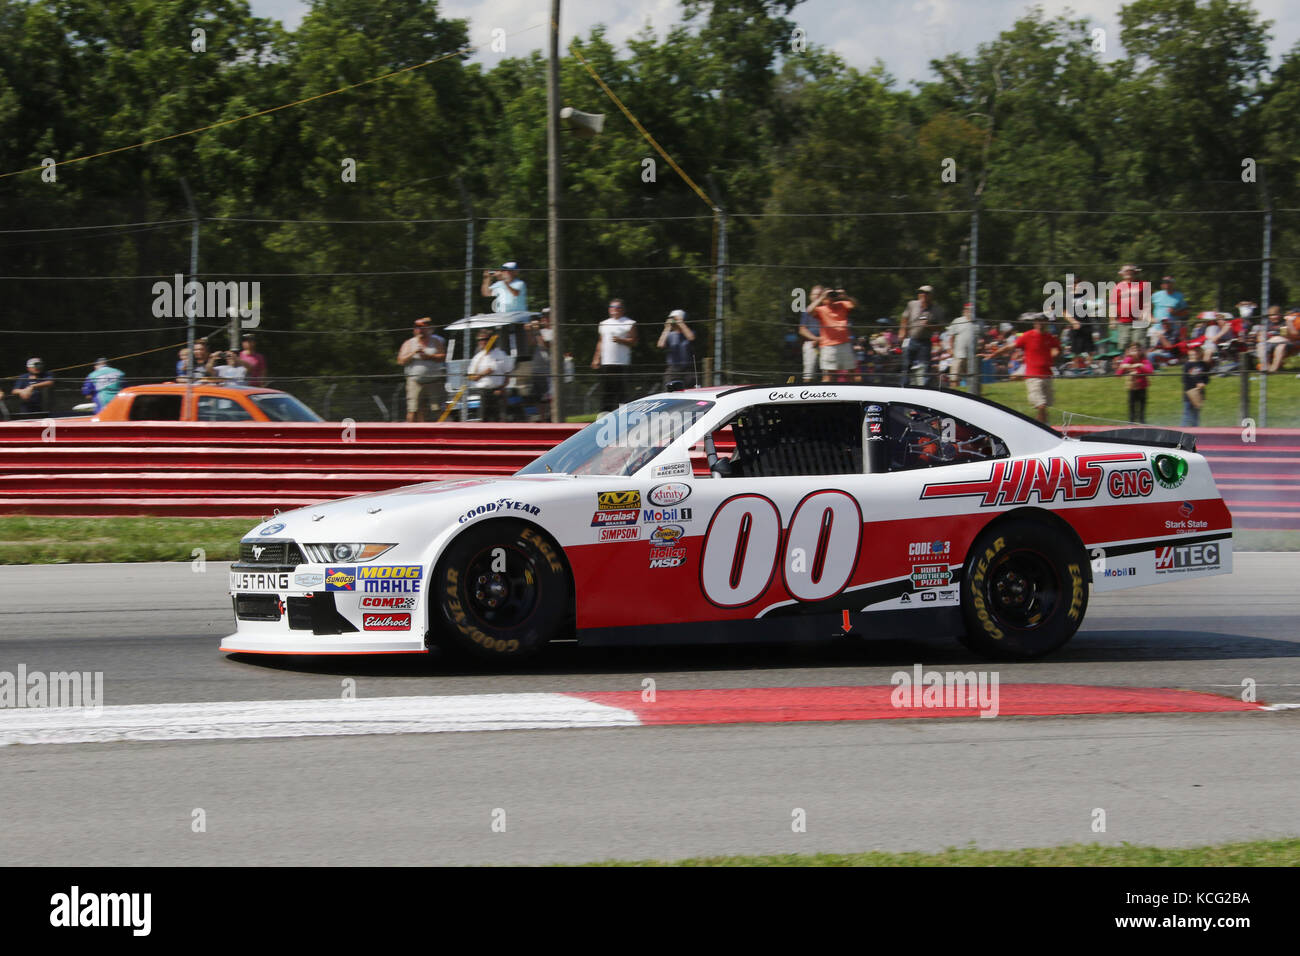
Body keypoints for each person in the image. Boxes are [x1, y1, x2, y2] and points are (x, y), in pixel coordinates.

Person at [990, 313, 1059, 423]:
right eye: (1037, 321)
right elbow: (1009, 347)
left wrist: (1054, 353)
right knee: (1041, 406)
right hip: (1033, 376)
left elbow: (1057, 348)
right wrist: (993, 355)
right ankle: (1042, 430)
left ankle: (1042, 428)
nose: (1040, 324)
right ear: (1034, 323)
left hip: (1047, 375)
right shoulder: (1027, 336)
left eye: (1042, 321)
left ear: (1046, 323)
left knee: (1044, 407)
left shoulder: (1050, 337)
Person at [396, 317, 447, 422]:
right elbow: (400, 361)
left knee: (438, 410)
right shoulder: (409, 343)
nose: (420, 330)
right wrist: (413, 353)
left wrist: (428, 357)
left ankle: (446, 434)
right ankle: (410, 435)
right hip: (415, 382)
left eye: (422, 328)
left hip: (434, 382)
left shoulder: (436, 341)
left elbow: (443, 357)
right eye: (417, 328)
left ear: (427, 329)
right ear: (414, 330)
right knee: (413, 410)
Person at [590, 299, 637, 410]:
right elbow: (600, 342)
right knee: (607, 393)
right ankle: (605, 417)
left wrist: (621, 340)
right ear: (609, 309)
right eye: (612, 307)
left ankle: (624, 417)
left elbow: (634, 341)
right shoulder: (603, 324)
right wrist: (596, 358)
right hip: (607, 363)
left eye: (618, 307)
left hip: (622, 364)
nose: (615, 309)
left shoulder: (629, 323)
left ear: (623, 310)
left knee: (622, 393)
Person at [810, 286, 858, 383]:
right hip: (828, 347)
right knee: (829, 376)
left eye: (832, 295)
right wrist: (822, 296)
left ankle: (852, 397)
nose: (831, 297)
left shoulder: (842, 304)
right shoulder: (821, 309)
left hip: (845, 344)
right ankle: (828, 397)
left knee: (852, 373)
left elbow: (855, 304)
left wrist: (845, 296)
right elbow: (809, 310)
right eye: (829, 295)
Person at [899, 284, 944, 386]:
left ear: (931, 295)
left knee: (925, 367)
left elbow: (941, 327)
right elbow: (904, 318)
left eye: (926, 293)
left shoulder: (937, 309)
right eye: (920, 292)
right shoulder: (912, 304)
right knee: (906, 366)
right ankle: (903, 387)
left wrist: (929, 326)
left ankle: (925, 389)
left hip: (925, 341)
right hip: (911, 339)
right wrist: (902, 332)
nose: (922, 295)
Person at [466, 331, 514, 421]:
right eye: (480, 340)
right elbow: (471, 376)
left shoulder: (501, 354)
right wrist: (484, 373)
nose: (483, 342)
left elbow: (508, 373)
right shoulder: (477, 358)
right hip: (484, 393)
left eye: (486, 339)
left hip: (498, 392)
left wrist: (501, 388)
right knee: (484, 420)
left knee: (501, 420)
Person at [1108, 264, 1150, 354]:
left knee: (1139, 344)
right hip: (1123, 321)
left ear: (1135, 272)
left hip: (1139, 320)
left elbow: (1147, 303)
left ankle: (1141, 365)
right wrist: (1112, 320)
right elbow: (1112, 305)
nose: (1128, 272)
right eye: (1125, 271)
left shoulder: (1143, 285)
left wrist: (1145, 314)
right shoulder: (1117, 287)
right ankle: (1127, 364)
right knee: (1124, 345)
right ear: (1122, 274)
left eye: (1130, 270)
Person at [1116, 343, 1154, 424]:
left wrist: (1140, 365)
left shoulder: (1144, 360)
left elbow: (1150, 371)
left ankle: (1142, 424)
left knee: (1142, 411)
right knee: (1131, 409)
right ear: (1129, 351)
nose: (1136, 351)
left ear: (1141, 351)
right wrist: (1126, 366)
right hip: (1132, 388)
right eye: (1133, 349)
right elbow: (1118, 374)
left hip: (1142, 388)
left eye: (1138, 349)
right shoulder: (1128, 359)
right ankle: (1131, 425)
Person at [657, 309, 696, 388]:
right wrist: (667, 328)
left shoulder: (690, 332)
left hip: (687, 369)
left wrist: (681, 323)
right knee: (669, 390)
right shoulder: (670, 335)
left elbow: (691, 338)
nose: (673, 321)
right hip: (672, 369)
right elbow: (660, 344)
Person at [527, 308, 554, 417]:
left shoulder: (554, 331)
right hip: (537, 369)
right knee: (538, 398)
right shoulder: (540, 331)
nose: (544, 319)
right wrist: (529, 331)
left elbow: (545, 346)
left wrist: (537, 331)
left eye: (546, 317)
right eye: (543, 317)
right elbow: (531, 343)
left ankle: (551, 418)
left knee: (548, 398)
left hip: (548, 370)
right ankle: (542, 419)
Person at [947, 302, 976, 388]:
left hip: (972, 356)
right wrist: (950, 348)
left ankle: (972, 394)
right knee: (954, 376)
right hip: (958, 354)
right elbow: (951, 336)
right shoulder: (958, 321)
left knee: (973, 377)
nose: (970, 312)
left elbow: (984, 337)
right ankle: (954, 392)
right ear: (964, 311)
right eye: (968, 310)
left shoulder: (978, 323)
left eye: (972, 310)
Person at [797, 286, 823, 382]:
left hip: (826, 344)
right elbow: (802, 330)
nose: (817, 296)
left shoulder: (827, 309)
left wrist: (821, 339)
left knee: (828, 374)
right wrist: (816, 339)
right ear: (810, 296)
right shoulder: (806, 311)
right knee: (809, 375)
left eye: (820, 294)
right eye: (815, 294)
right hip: (811, 345)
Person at [1182, 346, 1210, 426]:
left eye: (1197, 350)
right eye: (1193, 350)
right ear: (1189, 353)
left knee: (1196, 414)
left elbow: (1206, 378)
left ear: (1200, 352)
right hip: (1189, 393)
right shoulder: (1187, 365)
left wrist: (1203, 383)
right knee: (1187, 415)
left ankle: (1196, 431)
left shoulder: (1202, 364)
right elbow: (1185, 379)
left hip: (1199, 393)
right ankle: (1182, 430)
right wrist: (1196, 383)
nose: (1195, 352)